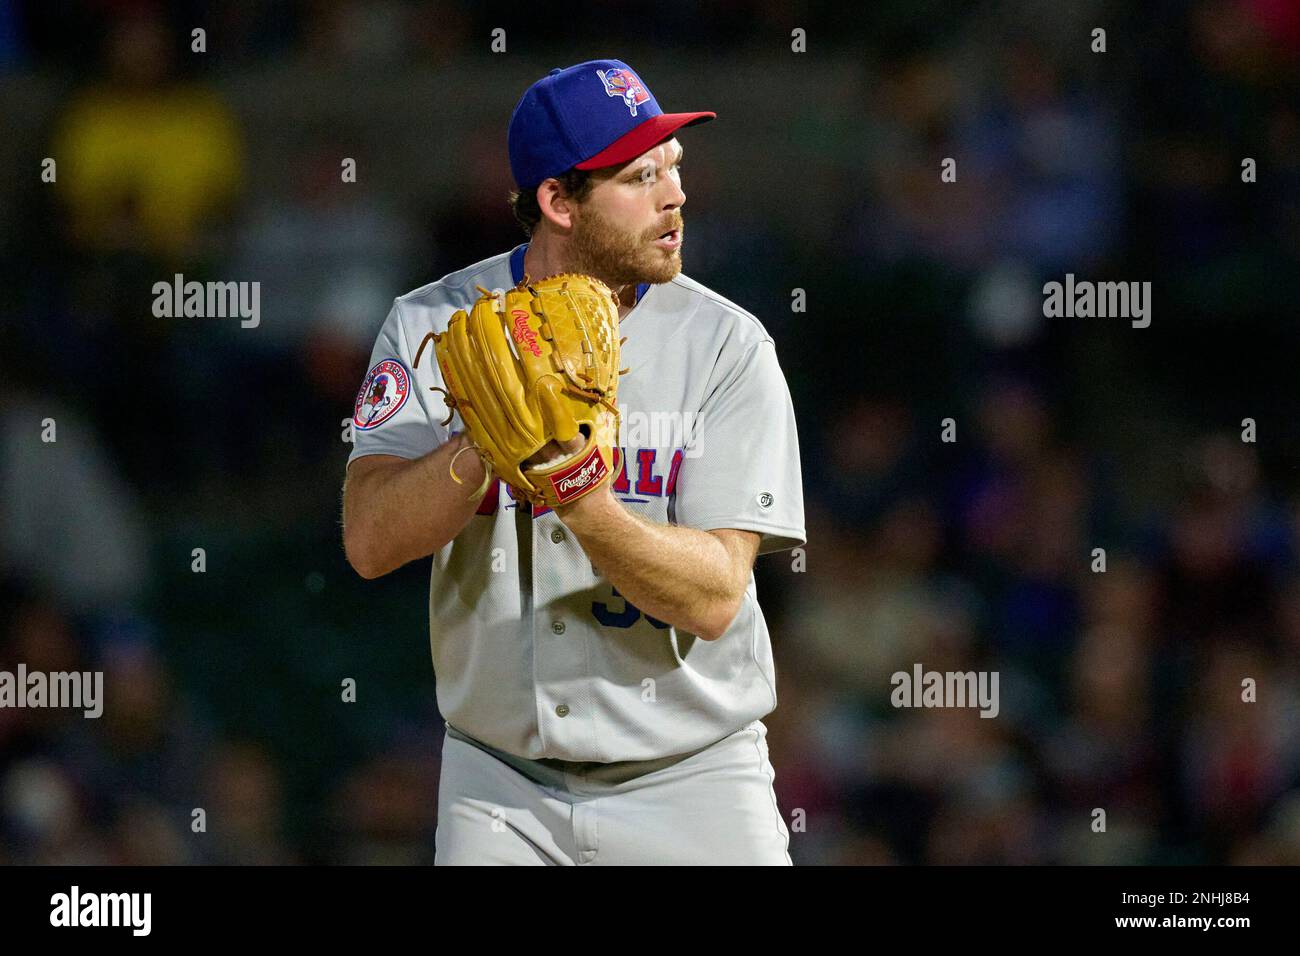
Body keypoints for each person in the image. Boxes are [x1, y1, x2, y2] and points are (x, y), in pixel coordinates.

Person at [342, 59, 805, 865]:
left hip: (692, 780)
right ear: (558, 201)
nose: (674, 196)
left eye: (674, 168)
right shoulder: (434, 325)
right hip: (498, 784)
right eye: (639, 176)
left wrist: (578, 494)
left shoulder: (728, 346)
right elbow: (370, 540)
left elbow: (715, 596)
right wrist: (486, 440)